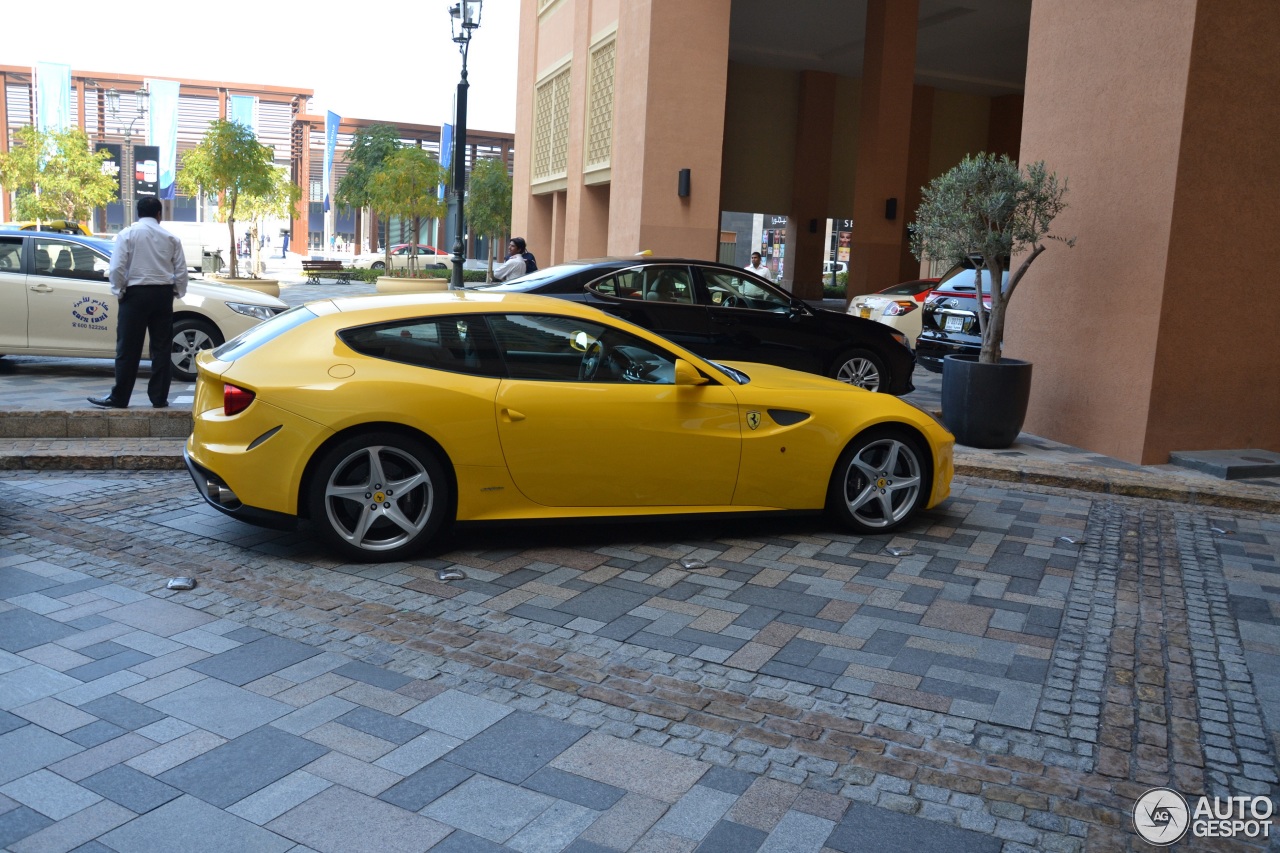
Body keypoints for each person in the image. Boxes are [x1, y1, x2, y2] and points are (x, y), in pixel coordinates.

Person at [88, 196, 187, 409]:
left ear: (138, 214)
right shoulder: (171, 238)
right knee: (161, 348)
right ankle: (159, 398)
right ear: (159, 214)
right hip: (162, 295)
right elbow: (181, 270)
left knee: (128, 348)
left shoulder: (127, 234)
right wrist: (177, 291)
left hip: (135, 295)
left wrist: (119, 290)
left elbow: (116, 268)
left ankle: (120, 397)